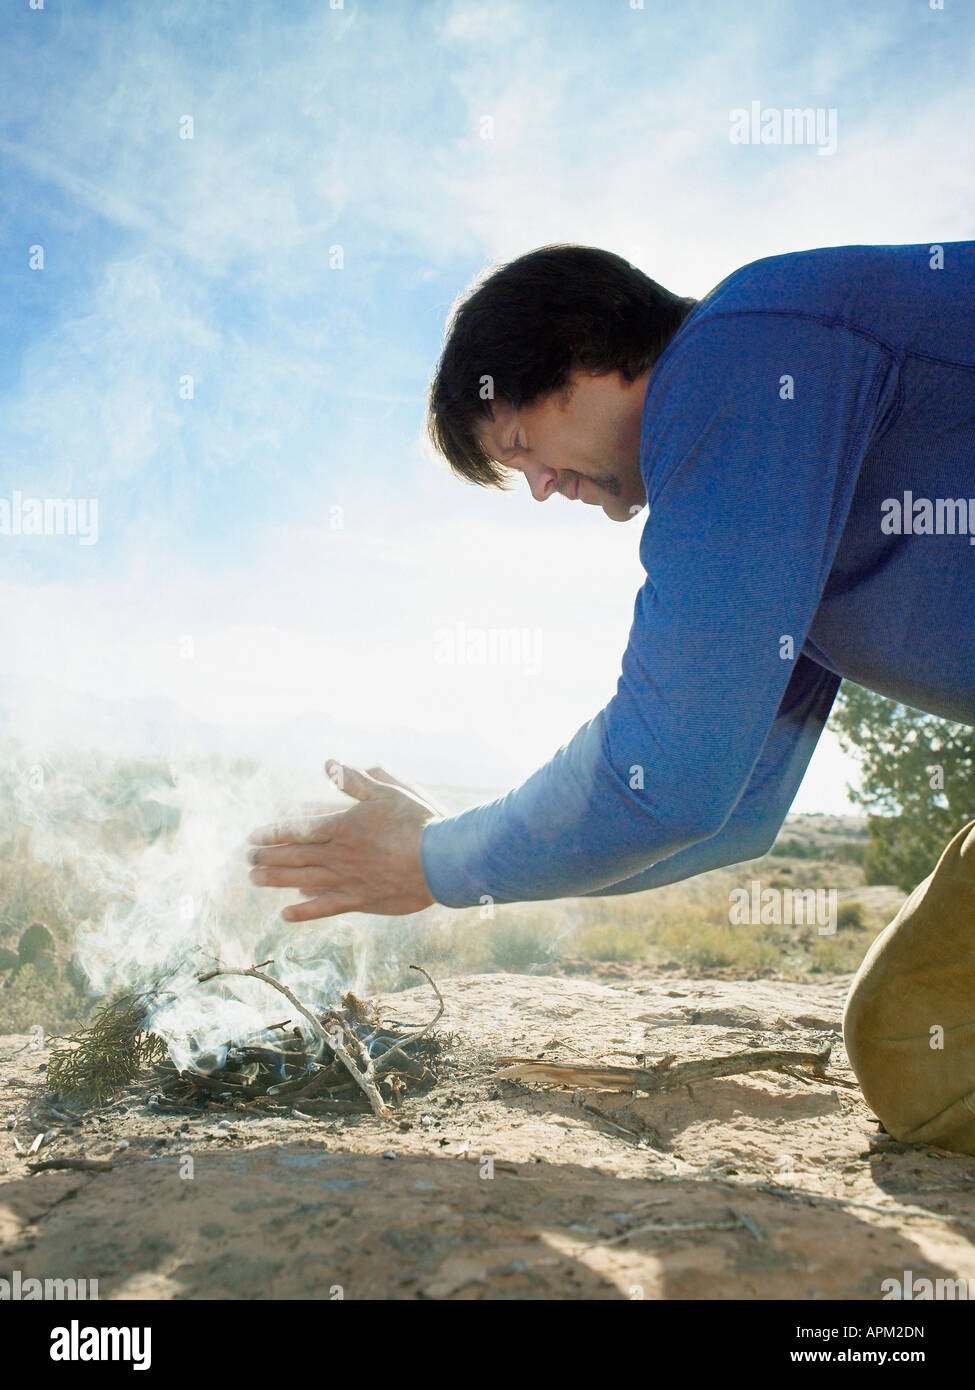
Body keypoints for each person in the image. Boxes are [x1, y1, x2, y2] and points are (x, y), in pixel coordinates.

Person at [248, 241, 975, 1150]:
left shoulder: (746, 350)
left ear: (586, 348)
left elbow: (669, 774)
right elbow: (727, 808)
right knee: (920, 1053)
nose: (543, 489)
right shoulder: (783, 465)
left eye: (522, 447)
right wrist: (451, 848)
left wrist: (432, 860)